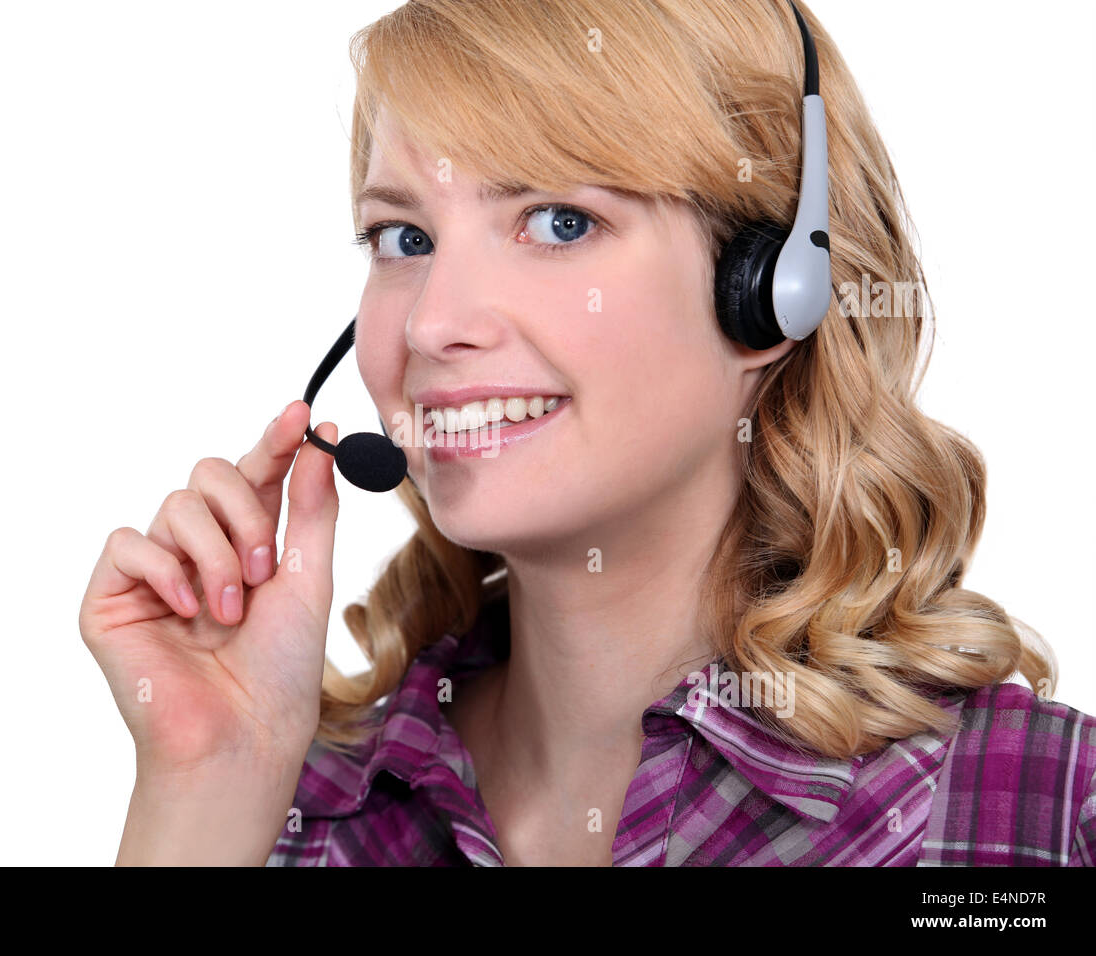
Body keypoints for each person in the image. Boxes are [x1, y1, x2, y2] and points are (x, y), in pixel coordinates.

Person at [78, 0, 1096, 866]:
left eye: (558, 221)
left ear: (772, 287)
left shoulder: (1032, 817)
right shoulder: (303, 813)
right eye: (405, 238)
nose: (432, 321)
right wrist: (207, 790)